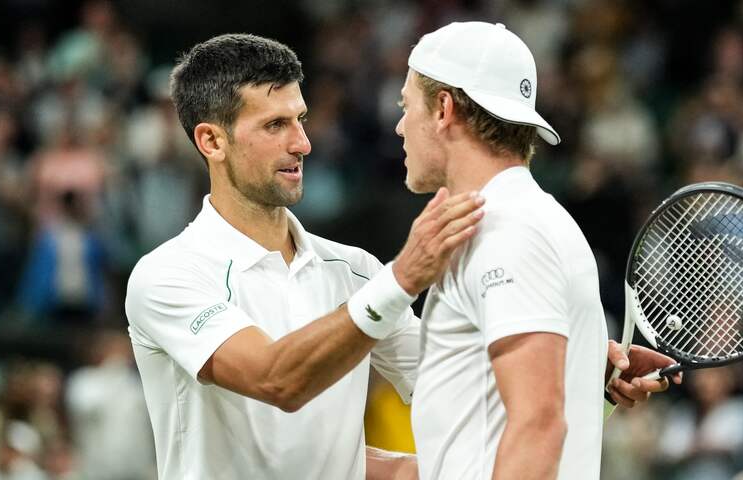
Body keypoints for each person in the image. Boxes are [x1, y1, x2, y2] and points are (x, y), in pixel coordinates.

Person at [125, 33, 675, 480]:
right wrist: (402, 278)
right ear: (211, 142)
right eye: (275, 126)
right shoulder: (168, 276)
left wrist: (582, 377)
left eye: (301, 119)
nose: (302, 144)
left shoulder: (356, 272)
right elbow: (277, 380)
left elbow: (475, 401)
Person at [394, 22, 679, 479]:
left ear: (444, 108)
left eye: (406, 106)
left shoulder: (508, 233)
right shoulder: (527, 221)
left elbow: (539, 428)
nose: (399, 125)